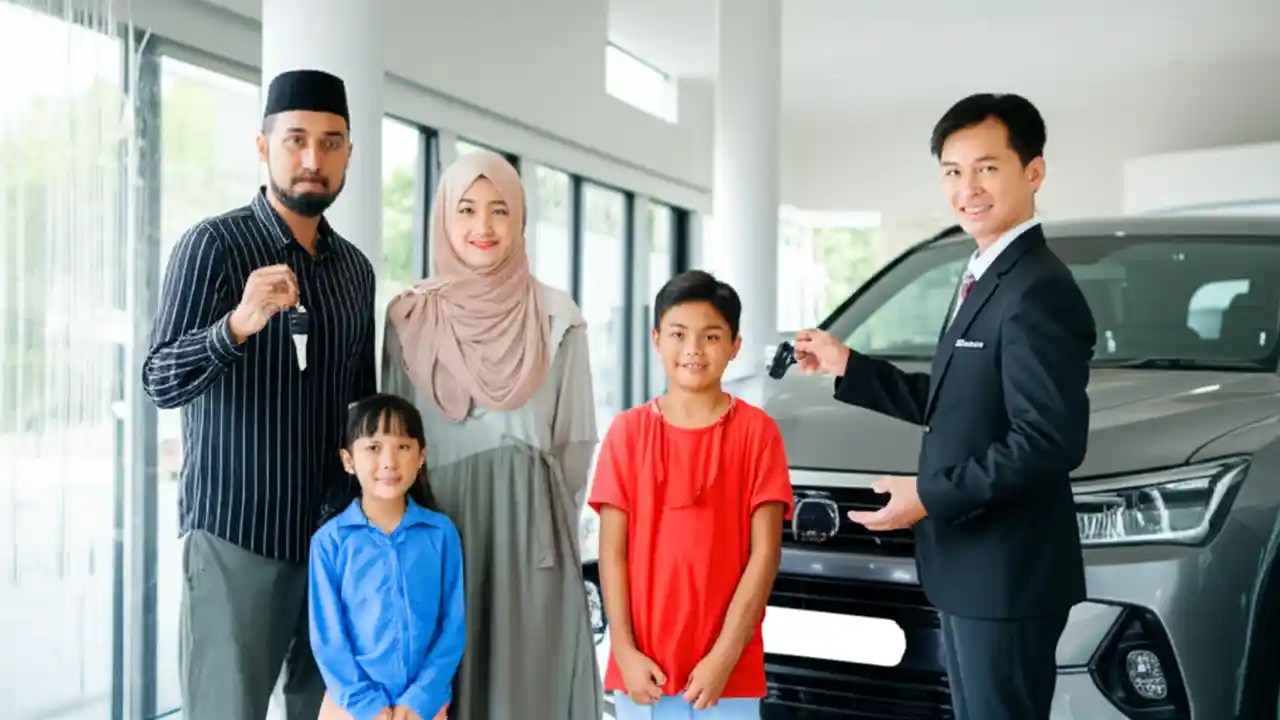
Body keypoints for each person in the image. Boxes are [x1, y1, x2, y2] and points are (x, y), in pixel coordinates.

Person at [792, 93, 1096, 719]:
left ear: (1033, 172)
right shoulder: (988, 273)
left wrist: (930, 496)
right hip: (973, 565)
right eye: (953, 172)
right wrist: (850, 366)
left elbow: (1049, 440)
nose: (968, 188)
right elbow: (958, 401)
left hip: (1005, 570)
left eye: (987, 167)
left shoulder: (1037, 289)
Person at [141, 68, 375, 720]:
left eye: (331, 143)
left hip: (331, 546)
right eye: (296, 139)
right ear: (263, 146)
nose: (312, 159)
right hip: (234, 543)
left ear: (349, 153)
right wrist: (237, 325)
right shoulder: (212, 248)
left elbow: (362, 408)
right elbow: (159, 379)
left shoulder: (355, 270)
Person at [381, 150, 601, 719]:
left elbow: (575, 445)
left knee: (524, 694)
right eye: (468, 209)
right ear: (443, 218)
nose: (483, 227)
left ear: (521, 220)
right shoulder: (407, 317)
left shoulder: (557, 316)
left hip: (529, 545)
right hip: (433, 535)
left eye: (501, 210)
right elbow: (387, 442)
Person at [588, 270, 794, 719]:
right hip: (643, 672)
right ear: (656, 339)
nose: (693, 350)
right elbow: (612, 552)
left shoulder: (758, 433)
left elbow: (765, 557)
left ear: (735, 346)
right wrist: (622, 648)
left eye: (711, 336)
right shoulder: (627, 432)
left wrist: (723, 657)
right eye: (679, 334)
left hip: (727, 674)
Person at [309, 394, 463, 720]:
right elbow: (328, 640)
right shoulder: (330, 542)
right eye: (374, 447)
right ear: (348, 460)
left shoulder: (440, 533)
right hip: (349, 708)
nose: (390, 462)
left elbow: (452, 626)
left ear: (421, 456)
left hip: (424, 709)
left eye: (403, 447)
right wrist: (367, 705)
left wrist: (422, 699)